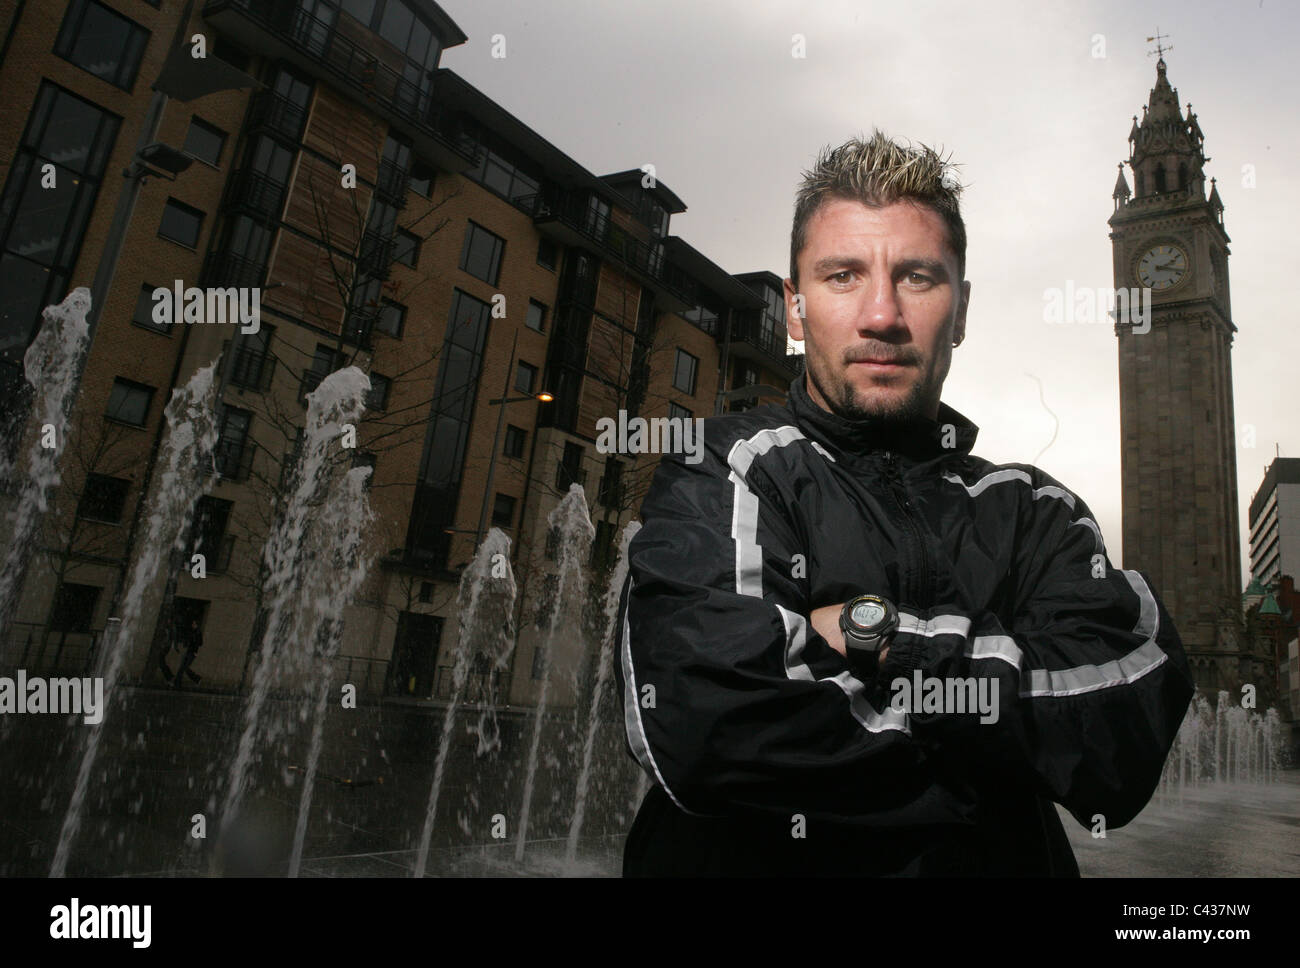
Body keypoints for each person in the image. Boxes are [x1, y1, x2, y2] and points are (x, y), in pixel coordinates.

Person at [614, 131, 1194, 876]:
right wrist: (998, 764)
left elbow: (1121, 724)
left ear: (961, 310)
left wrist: (877, 638)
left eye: (918, 278)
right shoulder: (724, 468)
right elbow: (710, 724)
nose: (881, 314)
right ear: (795, 310)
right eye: (842, 276)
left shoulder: (1031, 511)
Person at [172, 617, 203, 689]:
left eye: (194, 624)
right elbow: (190, 640)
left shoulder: (198, 633)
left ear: (197, 625)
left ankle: (196, 678)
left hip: (192, 652)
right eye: (193, 623)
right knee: (182, 667)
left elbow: (200, 643)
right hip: (189, 651)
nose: (193, 625)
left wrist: (195, 650)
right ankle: (178, 682)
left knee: (184, 667)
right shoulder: (192, 631)